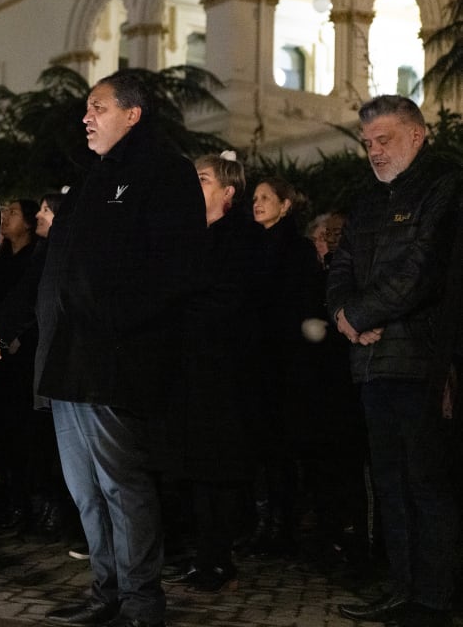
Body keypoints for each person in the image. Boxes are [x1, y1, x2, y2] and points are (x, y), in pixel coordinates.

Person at [0, 71, 207, 627]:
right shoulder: (91, 181)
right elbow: (44, 272)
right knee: (87, 492)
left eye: (97, 106)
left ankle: (142, 603)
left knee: (122, 487)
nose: (86, 117)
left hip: (117, 363)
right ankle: (107, 594)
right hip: (67, 362)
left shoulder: (165, 173)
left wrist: (114, 321)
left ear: (133, 114)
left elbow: (178, 272)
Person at [329, 95, 461, 627]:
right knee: (389, 483)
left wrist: (357, 313)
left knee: (428, 482)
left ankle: (434, 598)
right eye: (367, 144)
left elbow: (421, 271)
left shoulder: (445, 186)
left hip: (424, 361)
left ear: (417, 134)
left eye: (384, 140)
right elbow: (341, 263)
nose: (375, 151)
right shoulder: (367, 201)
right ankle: (403, 588)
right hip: (372, 363)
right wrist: (342, 314)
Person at [163, 152, 263, 594]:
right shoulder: (188, 237)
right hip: (188, 367)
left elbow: (232, 302)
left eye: (201, 179)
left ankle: (216, 557)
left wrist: (179, 311)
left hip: (225, 370)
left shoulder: (240, 239)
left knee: (218, 466)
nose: (191, 187)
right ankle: (200, 552)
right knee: (194, 466)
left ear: (228, 192)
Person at [248, 177, 325, 559]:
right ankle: (267, 523)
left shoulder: (297, 249)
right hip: (257, 360)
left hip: (286, 362)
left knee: (284, 447)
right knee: (262, 449)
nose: (257, 203)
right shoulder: (250, 245)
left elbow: (304, 302)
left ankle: (284, 525)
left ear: (285, 205)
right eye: (255, 198)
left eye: (266, 198)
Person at [0, 197, 40, 530]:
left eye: (13, 213)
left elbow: (29, 303)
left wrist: (12, 336)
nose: (6, 217)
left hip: (20, 356)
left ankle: (21, 499)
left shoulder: (35, 258)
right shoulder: (0, 258)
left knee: (19, 428)